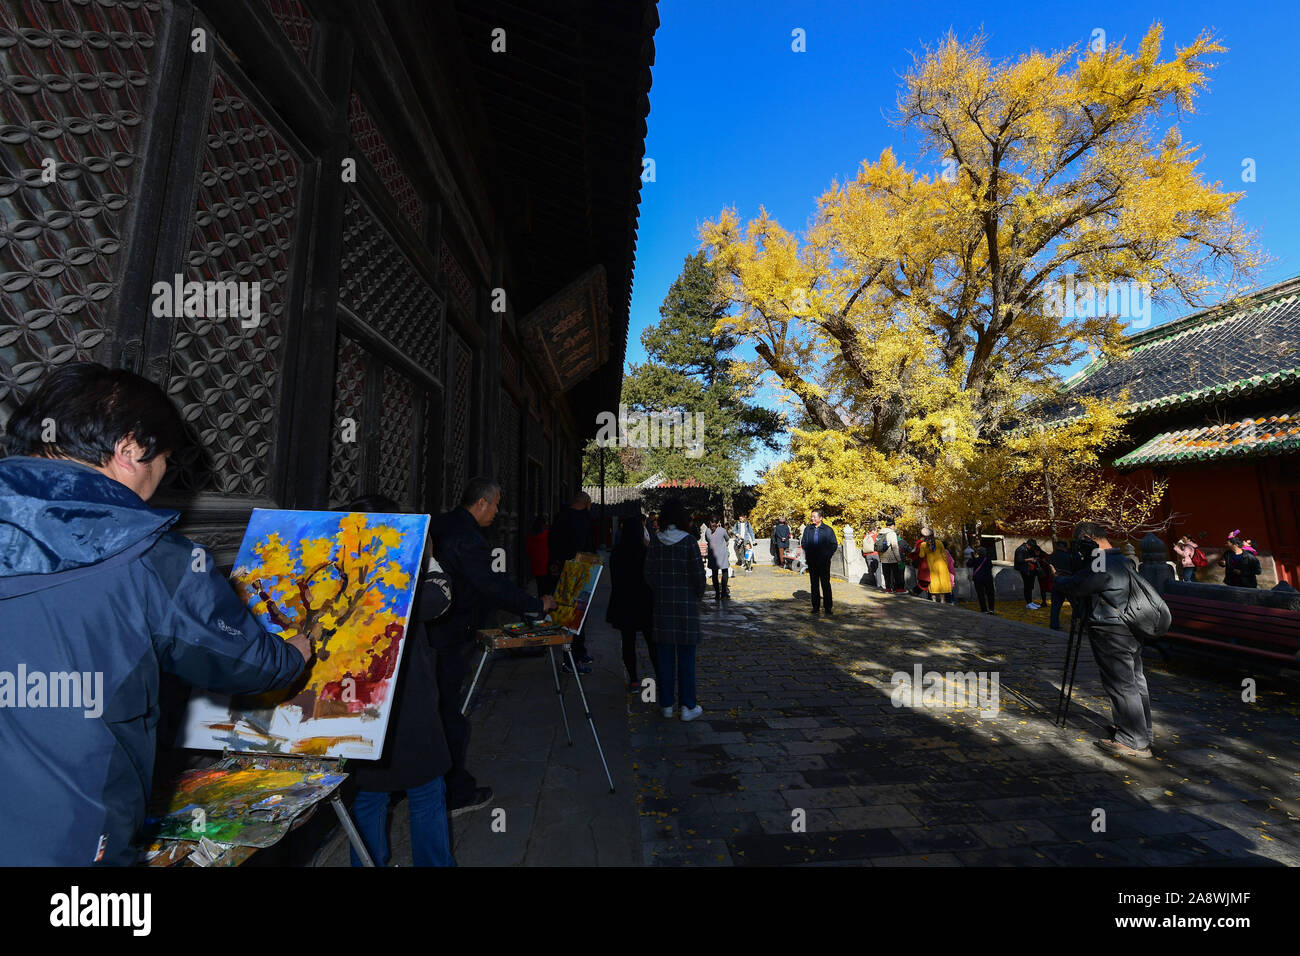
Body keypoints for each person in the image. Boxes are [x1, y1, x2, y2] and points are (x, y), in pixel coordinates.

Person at [0, 362, 309, 866]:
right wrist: (292, 655)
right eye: (163, 458)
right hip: (70, 832)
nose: (162, 475)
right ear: (130, 449)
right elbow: (245, 662)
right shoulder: (150, 555)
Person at [429, 477, 557, 816]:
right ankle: (454, 791)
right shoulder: (468, 537)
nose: (498, 512)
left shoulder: (440, 523)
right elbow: (491, 585)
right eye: (496, 505)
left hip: (429, 632)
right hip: (448, 635)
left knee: (434, 709)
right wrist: (535, 604)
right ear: (482, 503)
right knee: (450, 714)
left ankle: (426, 782)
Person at [343, 495, 455, 867]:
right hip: (407, 700)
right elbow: (438, 599)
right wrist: (428, 555)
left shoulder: (338, 577)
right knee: (426, 790)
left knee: (369, 796)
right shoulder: (394, 580)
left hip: (358, 703)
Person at [1055, 521, 1156, 759]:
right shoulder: (1121, 559)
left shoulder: (1101, 560)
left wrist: (1058, 579)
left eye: (1081, 543)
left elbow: (1082, 586)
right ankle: (1141, 730)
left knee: (1121, 683)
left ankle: (1133, 739)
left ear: (1088, 539)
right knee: (1135, 680)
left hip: (1111, 629)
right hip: (1130, 626)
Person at [644, 499, 706, 721]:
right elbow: (699, 576)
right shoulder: (689, 541)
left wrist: (660, 592)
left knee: (664, 658)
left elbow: (648, 573)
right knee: (687, 659)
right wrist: (696, 595)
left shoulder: (655, 541)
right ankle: (688, 706)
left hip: (662, 606)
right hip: (686, 606)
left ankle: (666, 704)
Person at [606, 515, 656, 692]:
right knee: (652, 641)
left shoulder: (616, 554)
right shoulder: (646, 552)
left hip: (624, 602)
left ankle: (634, 680)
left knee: (628, 642)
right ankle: (659, 674)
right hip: (645, 602)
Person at [549, 491, 594, 672]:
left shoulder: (561, 517)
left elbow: (553, 543)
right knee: (574, 617)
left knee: (573, 616)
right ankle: (571, 660)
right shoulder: (582, 519)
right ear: (586, 503)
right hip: (578, 572)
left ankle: (578, 652)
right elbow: (586, 545)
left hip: (565, 570)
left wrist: (554, 563)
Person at [801, 509, 838, 615]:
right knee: (814, 585)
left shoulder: (828, 530)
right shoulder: (808, 529)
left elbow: (833, 544)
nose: (812, 518)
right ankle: (815, 607)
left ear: (820, 518)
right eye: (811, 516)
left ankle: (828, 607)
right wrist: (808, 553)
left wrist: (827, 555)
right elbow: (804, 542)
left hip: (824, 561)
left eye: (814, 517)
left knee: (825, 584)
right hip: (812, 561)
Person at [917, 529, 952, 603]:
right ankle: (942, 600)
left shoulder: (923, 545)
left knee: (933, 582)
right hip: (942, 565)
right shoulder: (939, 543)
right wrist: (946, 564)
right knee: (942, 582)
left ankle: (934, 600)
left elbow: (921, 555)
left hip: (931, 566)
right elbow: (944, 555)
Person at [703, 515, 732, 603]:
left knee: (714, 574)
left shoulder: (707, 531)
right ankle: (724, 592)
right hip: (722, 554)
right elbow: (727, 538)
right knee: (725, 572)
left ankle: (717, 594)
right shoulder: (722, 530)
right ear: (719, 522)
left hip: (713, 555)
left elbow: (707, 540)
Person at [1048, 539, 1073, 630]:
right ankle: (1076, 625)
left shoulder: (1052, 556)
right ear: (1065, 547)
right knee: (1075, 606)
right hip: (1068, 582)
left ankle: (1054, 625)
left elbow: (1049, 570)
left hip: (1056, 582)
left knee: (1055, 606)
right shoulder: (1069, 556)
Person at [526, 516, 552, 597]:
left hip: (535, 564)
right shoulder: (546, 534)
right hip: (545, 563)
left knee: (539, 585)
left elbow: (528, 550)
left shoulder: (530, 536)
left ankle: (541, 600)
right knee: (547, 587)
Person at [1014, 538, 1042, 609]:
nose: (1032, 549)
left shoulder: (1028, 549)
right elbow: (1019, 560)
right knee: (1027, 587)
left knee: (1030, 587)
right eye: (1032, 547)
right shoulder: (1020, 549)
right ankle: (1028, 603)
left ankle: (1030, 602)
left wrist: (1035, 557)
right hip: (1025, 570)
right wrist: (1030, 559)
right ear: (1028, 545)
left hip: (1030, 570)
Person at [878, 519, 904, 593]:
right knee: (896, 574)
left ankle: (888, 589)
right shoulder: (892, 533)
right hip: (891, 558)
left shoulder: (880, 532)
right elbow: (895, 547)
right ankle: (899, 589)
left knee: (886, 574)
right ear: (892, 526)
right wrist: (898, 559)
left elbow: (878, 546)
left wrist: (880, 557)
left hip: (883, 558)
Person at [970, 545, 996, 614]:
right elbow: (990, 567)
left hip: (978, 579)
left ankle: (984, 609)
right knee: (990, 594)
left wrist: (972, 557)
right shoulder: (988, 560)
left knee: (981, 595)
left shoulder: (976, 560)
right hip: (988, 579)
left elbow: (968, 564)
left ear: (978, 553)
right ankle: (991, 609)